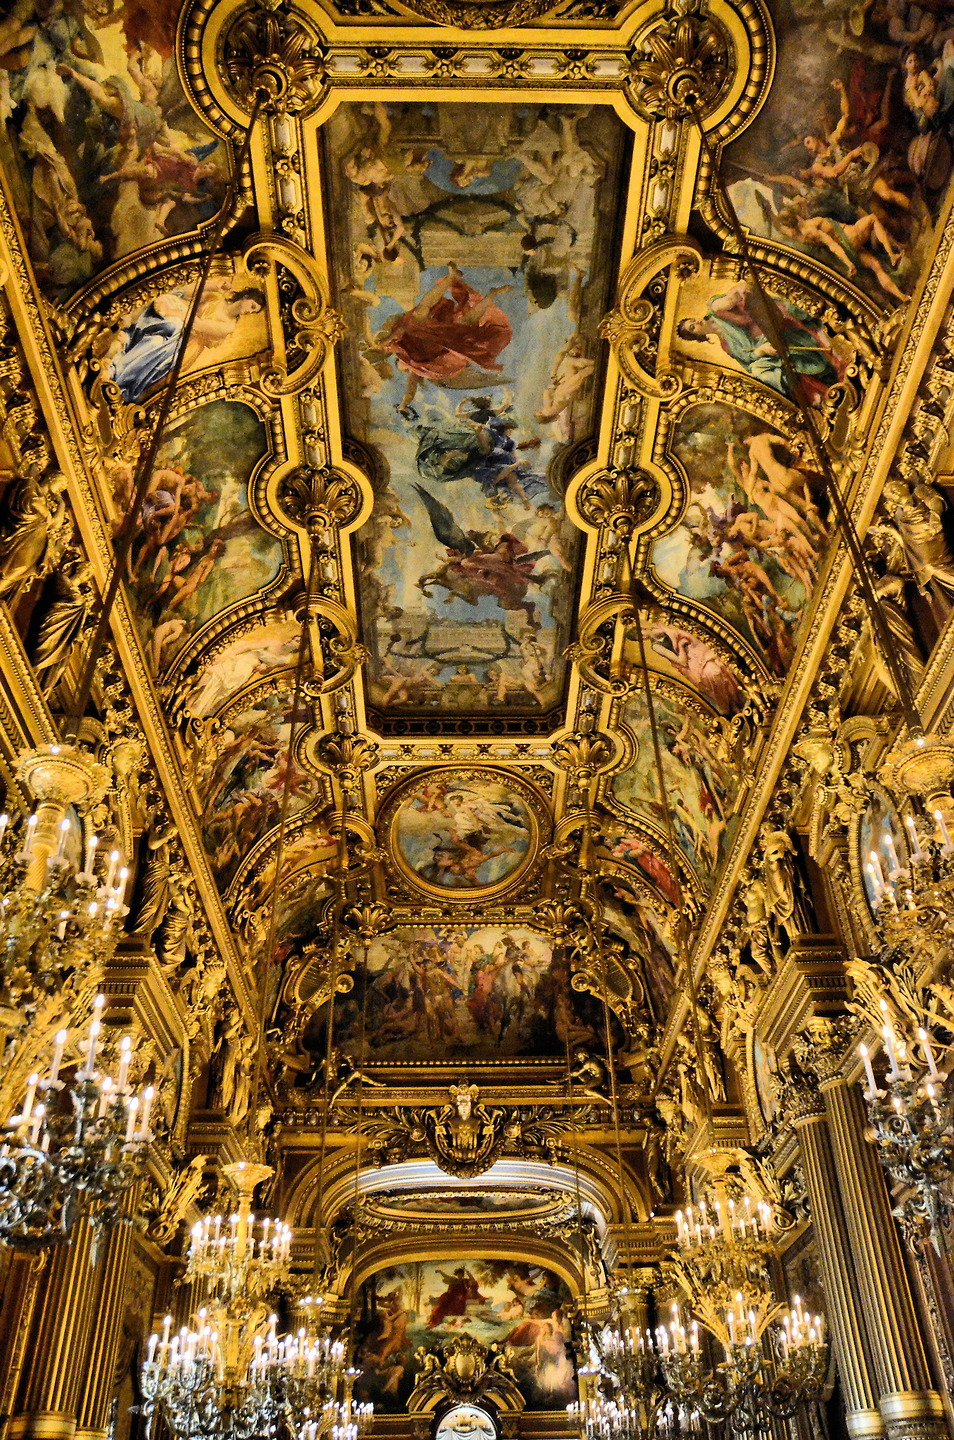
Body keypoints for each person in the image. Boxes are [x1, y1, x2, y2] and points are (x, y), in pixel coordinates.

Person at [370, 263, 513, 413]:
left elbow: (388, 340)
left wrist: (384, 342)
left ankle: (452, 277)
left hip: (427, 336)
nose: (403, 368)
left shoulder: (402, 350)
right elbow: (410, 391)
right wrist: (403, 405)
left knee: (421, 312)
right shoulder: (417, 369)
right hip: (442, 352)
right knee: (465, 324)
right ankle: (492, 294)